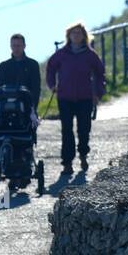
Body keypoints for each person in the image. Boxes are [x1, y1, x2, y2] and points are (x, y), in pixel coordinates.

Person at [45, 22, 106, 174]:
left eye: (79, 33)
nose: (76, 36)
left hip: (85, 97)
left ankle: (83, 154)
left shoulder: (90, 55)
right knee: (67, 130)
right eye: (73, 33)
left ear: (84, 36)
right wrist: (52, 85)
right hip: (65, 97)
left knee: (84, 129)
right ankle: (67, 163)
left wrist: (98, 93)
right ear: (68, 36)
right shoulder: (61, 54)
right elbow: (50, 68)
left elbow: (100, 73)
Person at [0, 33, 42, 106]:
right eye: (14, 46)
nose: (16, 48)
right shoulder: (3, 66)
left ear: (24, 46)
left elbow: (36, 89)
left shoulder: (33, 64)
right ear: (10, 46)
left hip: (27, 106)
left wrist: (33, 107)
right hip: (7, 106)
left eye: (18, 46)